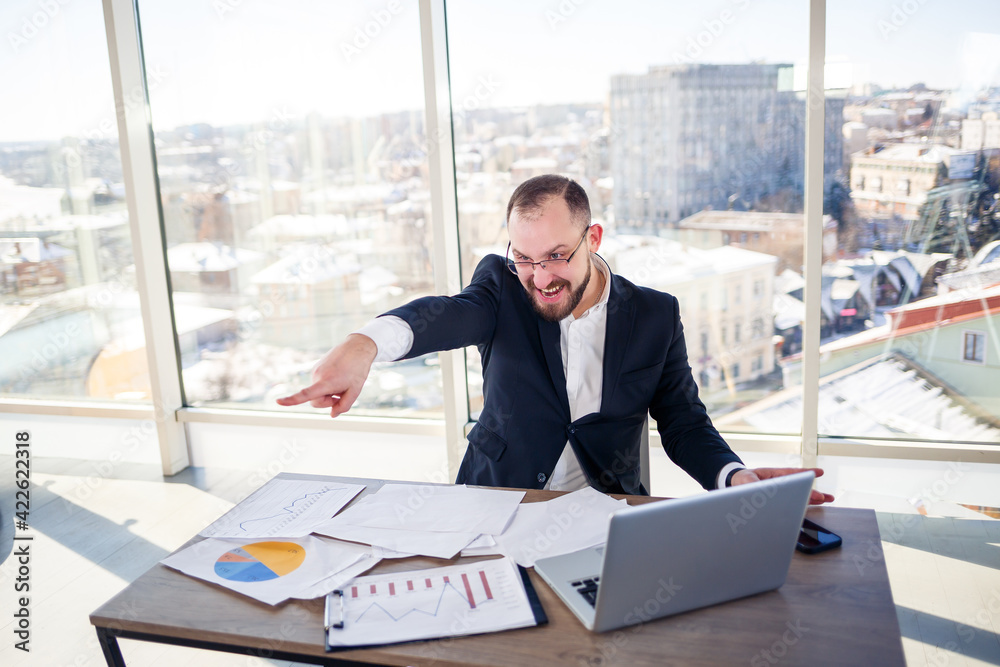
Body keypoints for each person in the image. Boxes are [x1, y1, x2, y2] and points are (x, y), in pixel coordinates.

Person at [279, 175, 833, 504]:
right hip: (496, 501)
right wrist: (368, 343)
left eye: (557, 256)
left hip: (606, 510)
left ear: (592, 237)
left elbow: (684, 423)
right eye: (525, 258)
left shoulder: (656, 316)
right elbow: (446, 316)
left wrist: (732, 476)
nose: (540, 277)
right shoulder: (501, 288)